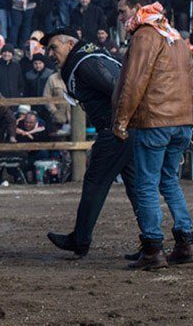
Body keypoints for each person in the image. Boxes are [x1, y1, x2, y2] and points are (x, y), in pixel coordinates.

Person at [113, 0, 193, 269]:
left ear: (137, 8)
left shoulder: (145, 35)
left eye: (123, 11)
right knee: (169, 180)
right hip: (181, 121)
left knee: (146, 184)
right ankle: (185, 242)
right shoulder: (175, 35)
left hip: (154, 121)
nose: (120, 18)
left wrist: (121, 120)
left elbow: (134, 82)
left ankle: (152, 248)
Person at [41, 28, 135, 257]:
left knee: (95, 182)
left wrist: (119, 125)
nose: (50, 54)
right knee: (136, 186)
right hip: (127, 129)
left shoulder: (84, 63)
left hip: (115, 131)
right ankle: (153, 243)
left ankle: (80, 240)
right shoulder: (91, 57)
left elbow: (117, 88)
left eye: (53, 47)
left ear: (70, 44)